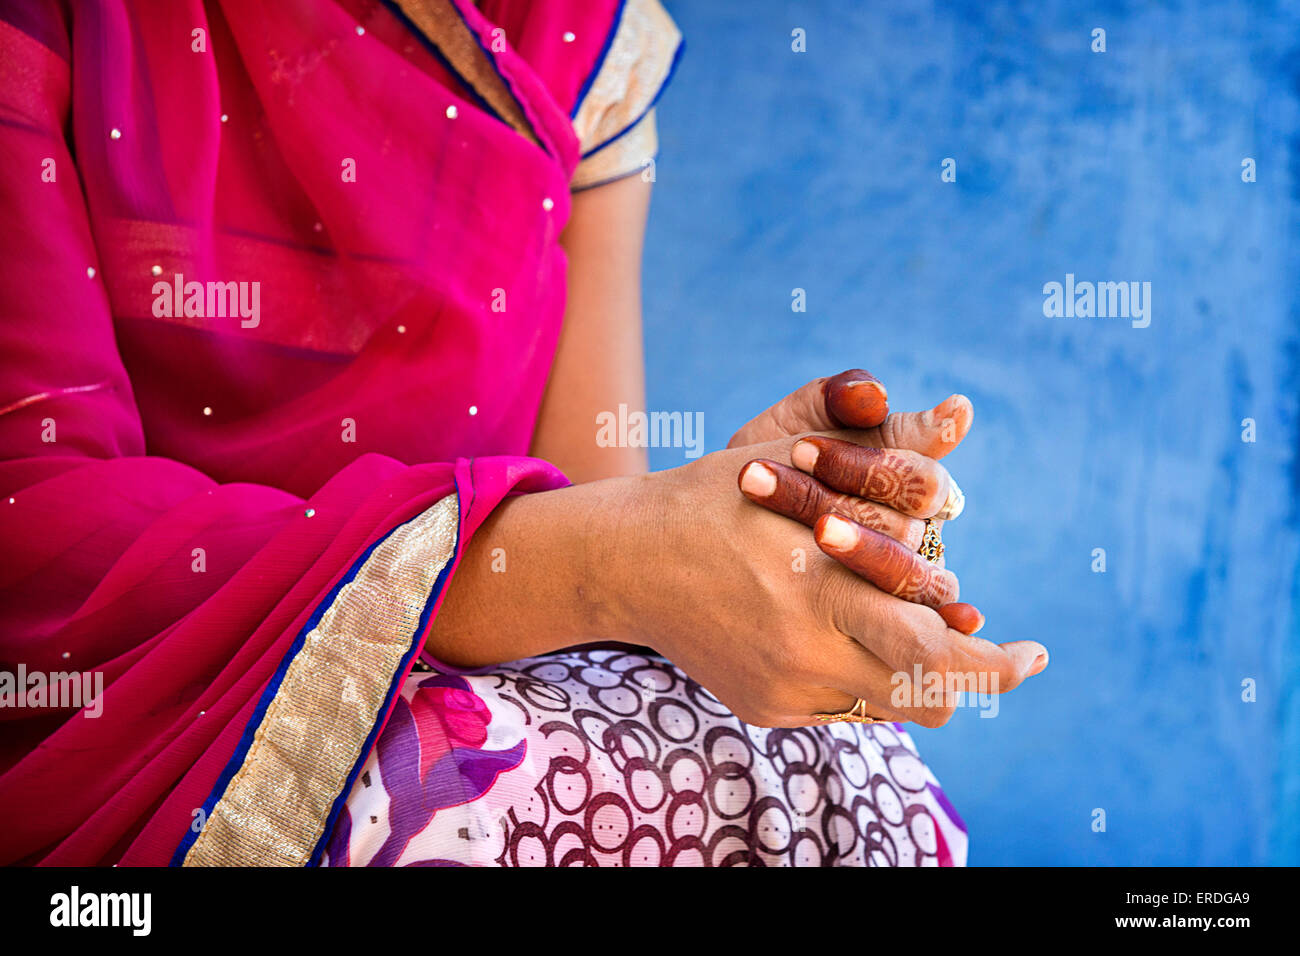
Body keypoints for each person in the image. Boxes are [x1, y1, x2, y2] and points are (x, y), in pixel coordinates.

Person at [0, 0, 1046, 867]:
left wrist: (731, 513)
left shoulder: (585, 38)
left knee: (843, 762)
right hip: (141, 718)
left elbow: (594, 510)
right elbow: (27, 517)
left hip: (486, 653)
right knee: (447, 778)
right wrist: (618, 554)